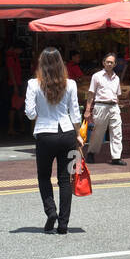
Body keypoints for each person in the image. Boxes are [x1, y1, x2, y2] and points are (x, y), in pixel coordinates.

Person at [25, 47, 83, 235]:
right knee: (65, 179)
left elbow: (30, 112)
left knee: (43, 176)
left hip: (45, 133)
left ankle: (51, 211)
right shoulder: (71, 84)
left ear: (41, 64)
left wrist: (40, 113)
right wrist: (79, 134)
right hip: (66, 133)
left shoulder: (34, 84)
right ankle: (64, 223)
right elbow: (75, 113)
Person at [84, 53, 125, 165]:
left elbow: (118, 95)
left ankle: (116, 157)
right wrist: (88, 110)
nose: (109, 64)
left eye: (112, 62)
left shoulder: (116, 78)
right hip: (101, 106)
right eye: (108, 62)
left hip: (114, 106)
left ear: (115, 64)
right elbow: (91, 93)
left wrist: (118, 105)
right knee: (98, 132)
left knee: (117, 132)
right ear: (103, 63)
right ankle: (91, 153)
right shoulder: (96, 76)